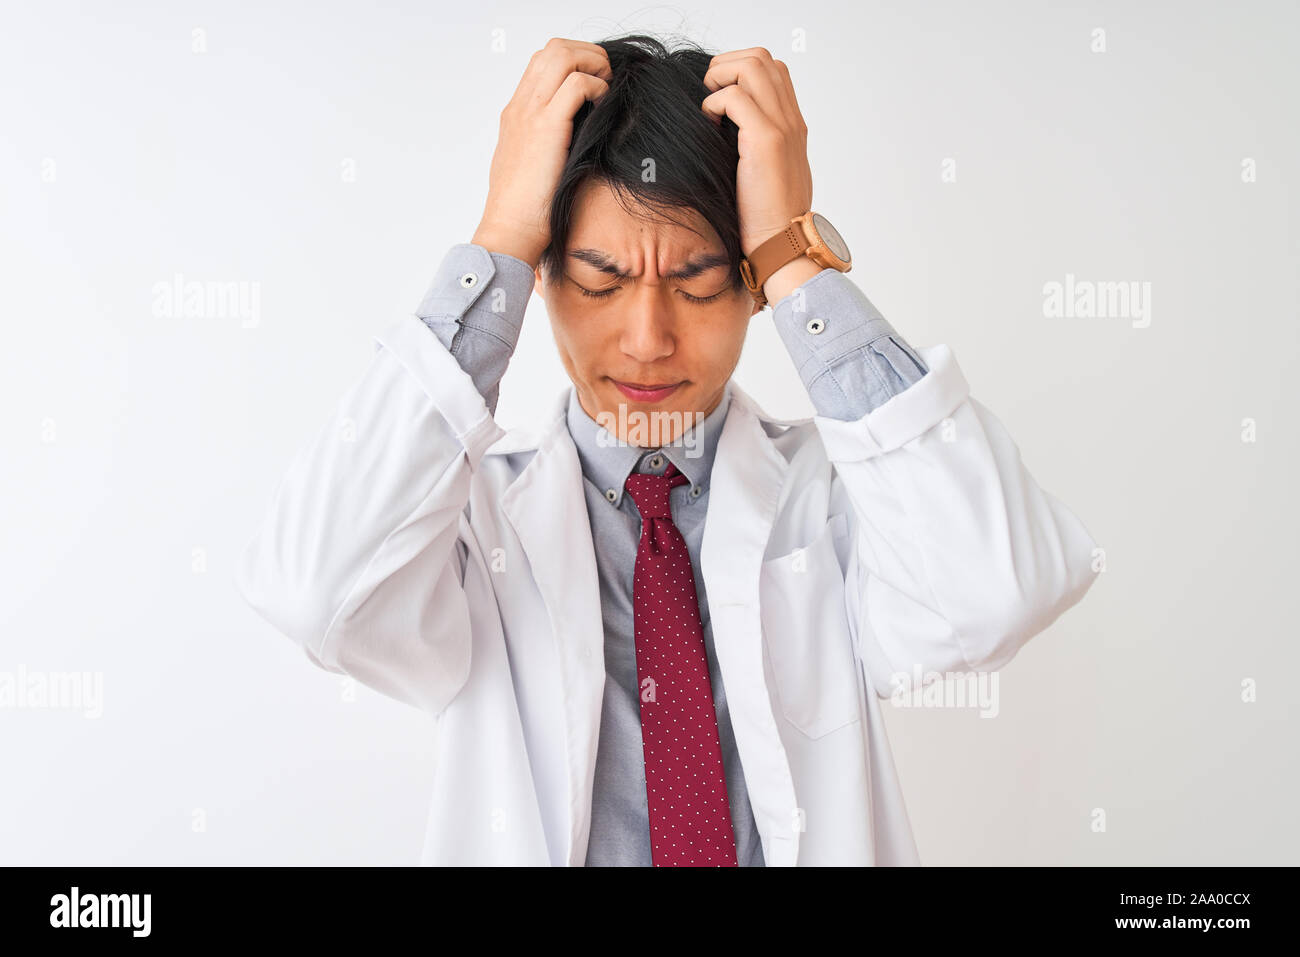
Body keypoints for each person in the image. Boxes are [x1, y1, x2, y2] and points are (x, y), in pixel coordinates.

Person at [235, 34, 1100, 866]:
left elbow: (999, 590)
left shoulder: (838, 504)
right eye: (601, 280)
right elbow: (313, 590)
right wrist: (498, 237)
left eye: (698, 281)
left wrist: (796, 252)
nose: (647, 338)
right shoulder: (467, 522)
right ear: (542, 275)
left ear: (754, 285)